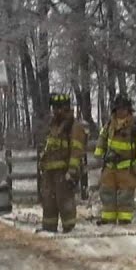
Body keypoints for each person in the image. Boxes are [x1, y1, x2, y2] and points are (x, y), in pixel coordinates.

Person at [94, 94, 136, 225]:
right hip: (110, 166)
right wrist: (98, 153)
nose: (121, 111)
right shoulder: (109, 124)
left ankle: (125, 219)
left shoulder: (135, 125)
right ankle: (108, 217)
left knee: (126, 194)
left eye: (123, 109)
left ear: (129, 110)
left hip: (127, 167)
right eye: (118, 109)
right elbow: (102, 139)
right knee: (107, 191)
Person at [37, 92, 87, 233]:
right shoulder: (52, 125)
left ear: (66, 107)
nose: (56, 111)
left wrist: (71, 172)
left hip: (63, 173)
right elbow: (47, 147)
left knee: (64, 202)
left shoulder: (74, 126)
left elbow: (77, 150)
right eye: (54, 107)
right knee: (49, 202)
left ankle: (69, 230)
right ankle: (48, 229)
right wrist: (42, 164)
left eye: (60, 107)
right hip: (49, 173)